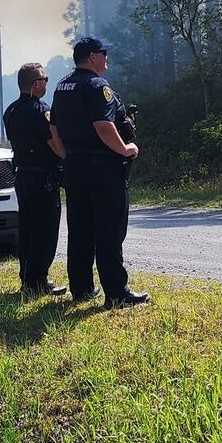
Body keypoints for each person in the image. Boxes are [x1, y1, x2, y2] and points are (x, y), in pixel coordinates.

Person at [48, 37, 149, 309]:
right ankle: (116, 293)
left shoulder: (61, 86)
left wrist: (67, 155)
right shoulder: (97, 85)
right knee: (109, 231)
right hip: (103, 170)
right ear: (92, 56)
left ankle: (81, 289)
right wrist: (126, 149)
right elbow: (104, 125)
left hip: (74, 169)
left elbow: (54, 129)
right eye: (104, 53)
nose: (107, 58)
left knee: (80, 230)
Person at [0, 61, 64, 295]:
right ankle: (39, 281)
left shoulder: (11, 110)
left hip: (22, 176)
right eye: (45, 79)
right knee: (45, 231)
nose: (46, 83)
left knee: (26, 229)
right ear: (36, 84)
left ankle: (27, 278)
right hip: (42, 178)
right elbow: (55, 145)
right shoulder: (40, 110)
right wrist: (70, 157)